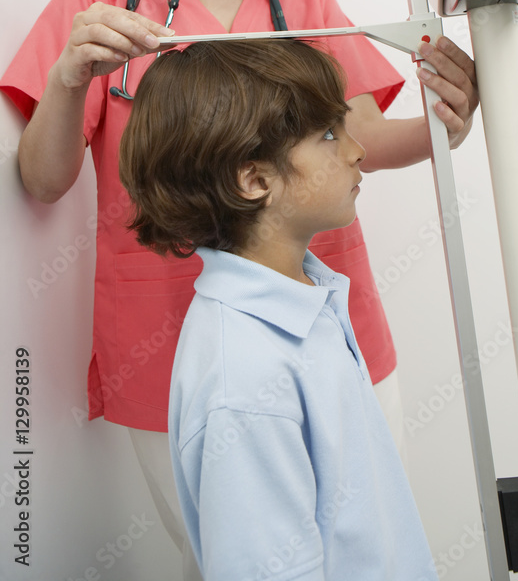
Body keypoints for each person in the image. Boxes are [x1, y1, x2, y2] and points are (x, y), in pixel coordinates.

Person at [0, 0, 477, 579]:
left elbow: (363, 137)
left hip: (319, 317)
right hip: (166, 334)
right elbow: (44, 181)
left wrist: (449, 124)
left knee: (370, 542)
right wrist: (71, 76)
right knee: (226, 556)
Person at [119, 36, 439, 581]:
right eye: (330, 134)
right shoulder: (243, 381)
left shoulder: (306, 300)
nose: (356, 150)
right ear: (255, 180)